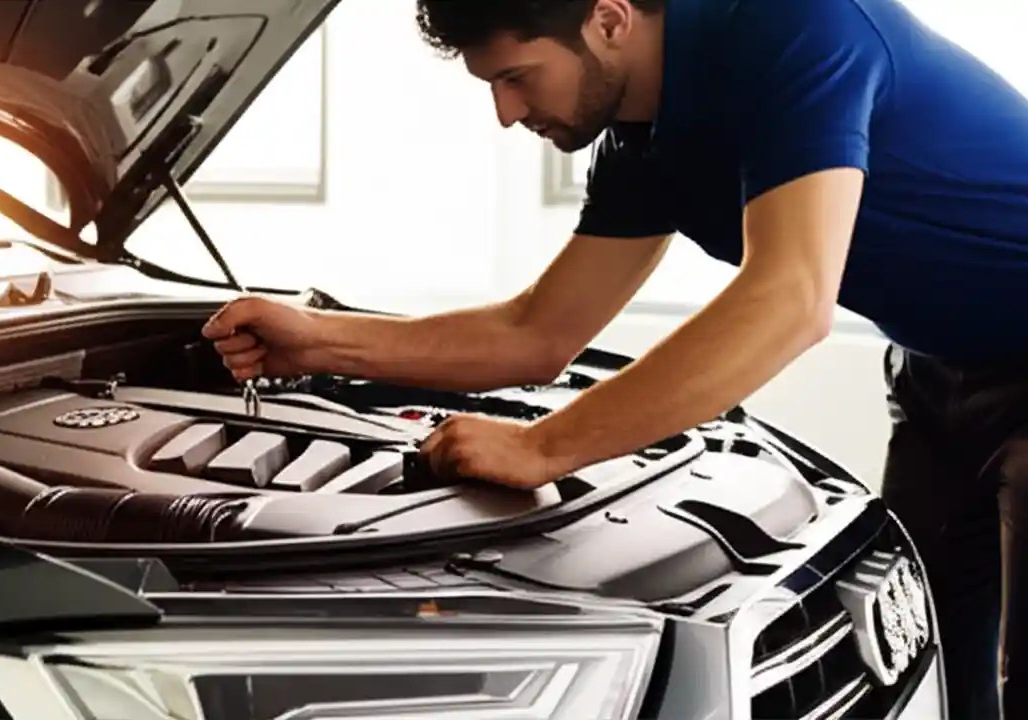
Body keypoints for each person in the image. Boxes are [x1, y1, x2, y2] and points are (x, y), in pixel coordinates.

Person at [202, 1, 1028, 716]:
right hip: (935, 372)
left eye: (516, 77)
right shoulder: (642, 138)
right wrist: (317, 338)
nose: (504, 112)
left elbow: (790, 299)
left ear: (608, 20)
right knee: (929, 673)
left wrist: (543, 447)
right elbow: (537, 332)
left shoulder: (798, 27)